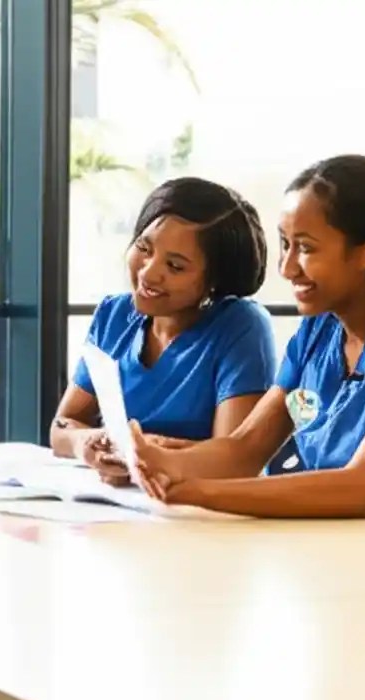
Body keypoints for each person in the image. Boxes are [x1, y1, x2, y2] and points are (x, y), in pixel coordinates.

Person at [127, 155, 365, 528]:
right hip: (335, 547)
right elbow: (245, 449)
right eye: (285, 244)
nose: (286, 268)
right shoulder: (318, 330)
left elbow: (359, 489)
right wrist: (154, 460)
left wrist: (196, 491)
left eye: (306, 248)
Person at [50, 178, 277, 483]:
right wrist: (87, 444)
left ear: (214, 280)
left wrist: (154, 458)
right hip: (124, 507)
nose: (148, 272)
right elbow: (63, 425)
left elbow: (233, 460)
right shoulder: (114, 315)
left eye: (175, 266)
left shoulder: (240, 325)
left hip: (207, 515)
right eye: (144, 248)